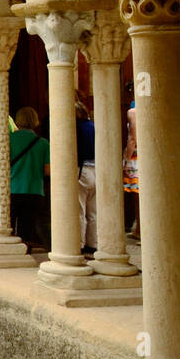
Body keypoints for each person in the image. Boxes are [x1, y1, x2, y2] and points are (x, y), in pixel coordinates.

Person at [9, 106, 51, 251]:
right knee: (26, 228)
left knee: (6, 226)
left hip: (11, 188)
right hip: (34, 190)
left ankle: (8, 252)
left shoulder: (8, 139)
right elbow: (47, 170)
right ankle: (24, 250)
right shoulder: (43, 143)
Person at [76, 98, 96, 255]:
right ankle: (93, 242)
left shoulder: (77, 128)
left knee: (79, 209)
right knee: (93, 211)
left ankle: (80, 243)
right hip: (97, 169)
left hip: (82, 170)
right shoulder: (93, 126)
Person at [123, 94, 140, 239]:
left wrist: (127, 160)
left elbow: (133, 137)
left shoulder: (133, 112)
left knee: (138, 196)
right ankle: (139, 228)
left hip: (136, 155)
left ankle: (140, 230)